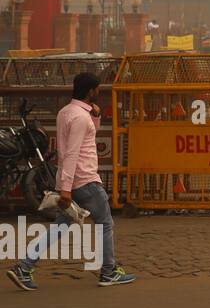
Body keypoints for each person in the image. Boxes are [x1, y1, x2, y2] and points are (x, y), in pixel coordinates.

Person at [7, 73, 136, 291]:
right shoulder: (80, 118)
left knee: (60, 226)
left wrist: (95, 115)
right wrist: (66, 190)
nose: (99, 92)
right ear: (90, 92)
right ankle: (109, 271)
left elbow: (79, 141)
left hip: (70, 180)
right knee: (105, 224)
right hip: (85, 181)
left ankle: (25, 266)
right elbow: (73, 153)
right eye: (96, 89)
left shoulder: (66, 112)